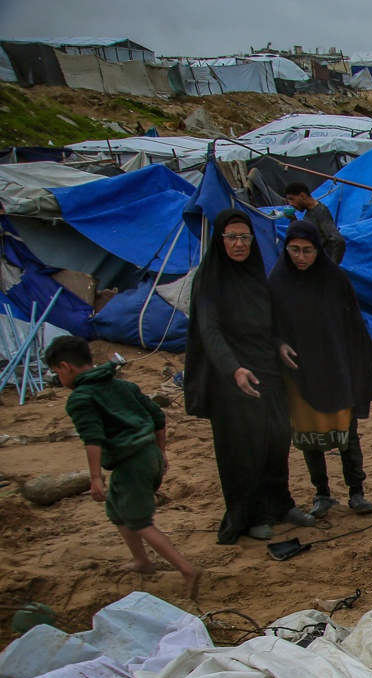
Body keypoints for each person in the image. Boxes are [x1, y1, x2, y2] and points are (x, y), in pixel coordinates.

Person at [184, 208, 316, 543]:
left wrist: (279, 344)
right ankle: (252, 513)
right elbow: (209, 331)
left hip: (267, 370)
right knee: (245, 449)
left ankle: (280, 504)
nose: (239, 243)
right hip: (232, 379)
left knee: (276, 439)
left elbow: (265, 322)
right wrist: (233, 368)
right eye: (232, 237)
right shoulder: (211, 278)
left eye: (245, 236)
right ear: (220, 240)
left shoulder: (255, 273)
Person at [45, 336, 201, 601]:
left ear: (65, 367)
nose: (59, 378)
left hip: (131, 464)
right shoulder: (123, 385)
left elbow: (93, 438)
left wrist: (95, 478)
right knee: (118, 510)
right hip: (149, 455)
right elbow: (158, 416)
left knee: (139, 519)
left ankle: (186, 568)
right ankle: (142, 561)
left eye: (57, 373)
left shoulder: (81, 398)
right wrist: (161, 453)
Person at [269, 219, 372, 518]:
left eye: (308, 250)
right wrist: (278, 344)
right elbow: (267, 324)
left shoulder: (335, 280)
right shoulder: (277, 282)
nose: (301, 257)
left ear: (319, 250)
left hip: (337, 365)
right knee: (309, 435)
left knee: (347, 432)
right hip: (299, 371)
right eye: (294, 250)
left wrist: (359, 364)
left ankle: (356, 492)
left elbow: (354, 325)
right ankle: (322, 493)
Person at [284, 182, 345, 264]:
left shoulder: (320, 212)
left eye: (292, 199)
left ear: (302, 196)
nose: (291, 204)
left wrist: (333, 267)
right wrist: (293, 220)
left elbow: (338, 240)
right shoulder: (309, 212)